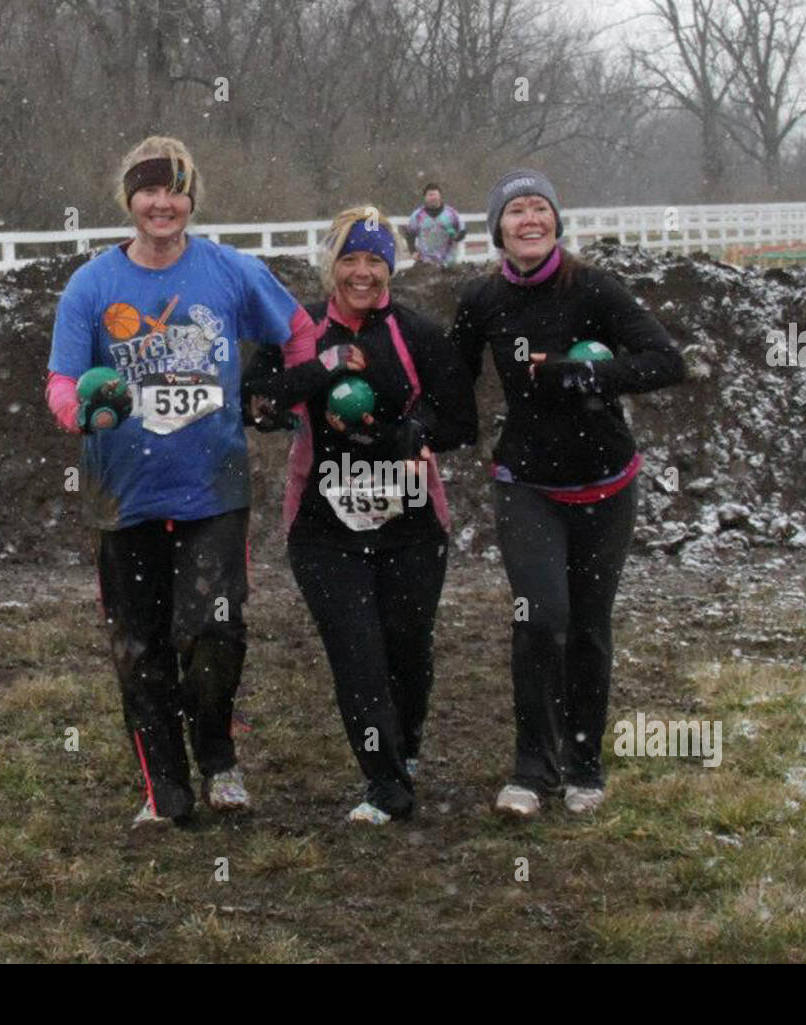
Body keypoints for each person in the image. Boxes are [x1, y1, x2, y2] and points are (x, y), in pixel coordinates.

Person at [45, 136, 316, 829]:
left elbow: (300, 332)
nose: (162, 203)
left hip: (213, 490)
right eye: (148, 190)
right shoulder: (93, 286)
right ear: (129, 201)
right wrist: (81, 412)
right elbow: (62, 381)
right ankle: (163, 785)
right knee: (140, 646)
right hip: (124, 494)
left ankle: (219, 756)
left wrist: (274, 391)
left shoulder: (229, 272)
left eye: (175, 190)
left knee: (213, 632)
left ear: (191, 199)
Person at [450, 169, 686, 819]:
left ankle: (583, 763)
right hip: (526, 485)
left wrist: (583, 371)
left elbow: (667, 362)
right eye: (515, 211)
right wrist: (405, 427)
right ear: (497, 229)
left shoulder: (596, 290)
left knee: (587, 627)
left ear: (556, 222)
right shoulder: (481, 301)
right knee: (540, 619)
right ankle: (531, 769)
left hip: (607, 485)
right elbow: (452, 381)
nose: (530, 220)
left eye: (540, 210)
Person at [243, 204, 477, 824]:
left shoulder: (419, 333)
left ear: (392, 265)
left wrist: (409, 435)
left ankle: (406, 753)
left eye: (375, 259)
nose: (363, 272)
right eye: (350, 258)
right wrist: (321, 369)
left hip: (413, 523)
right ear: (331, 264)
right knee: (356, 652)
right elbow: (257, 403)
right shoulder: (297, 330)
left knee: (407, 650)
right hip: (322, 526)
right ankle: (384, 785)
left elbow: (461, 421)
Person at [405, 183, 467, 266]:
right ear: (425, 197)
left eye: (435, 195)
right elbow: (409, 234)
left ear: (440, 197)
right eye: (430, 195)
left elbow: (463, 231)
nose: (433, 198)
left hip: (449, 263)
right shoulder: (417, 215)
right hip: (425, 263)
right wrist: (413, 251)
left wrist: (457, 237)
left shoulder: (451, 214)